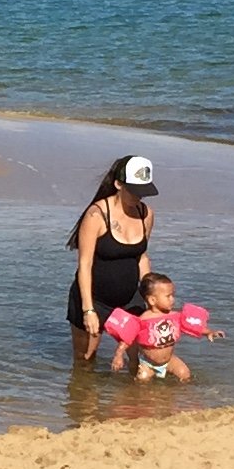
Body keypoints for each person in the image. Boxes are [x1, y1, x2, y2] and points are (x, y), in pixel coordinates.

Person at [67, 154, 158, 364]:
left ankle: (135, 397)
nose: (139, 197)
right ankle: (83, 398)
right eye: (134, 191)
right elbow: (85, 264)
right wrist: (88, 309)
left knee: (140, 359)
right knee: (85, 361)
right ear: (118, 184)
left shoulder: (146, 214)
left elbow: (141, 257)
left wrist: (151, 296)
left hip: (130, 299)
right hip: (95, 299)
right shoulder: (96, 215)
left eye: (144, 192)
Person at [106, 271, 220, 382]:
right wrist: (118, 355)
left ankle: (178, 397)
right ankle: (142, 399)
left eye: (173, 295)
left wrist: (208, 332)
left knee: (185, 374)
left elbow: (192, 325)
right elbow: (127, 339)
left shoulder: (174, 316)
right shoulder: (142, 320)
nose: (172, 299)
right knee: (142, 381)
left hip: (169, 361)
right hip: (148, 363)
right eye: (168, 296)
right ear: (152, 300)